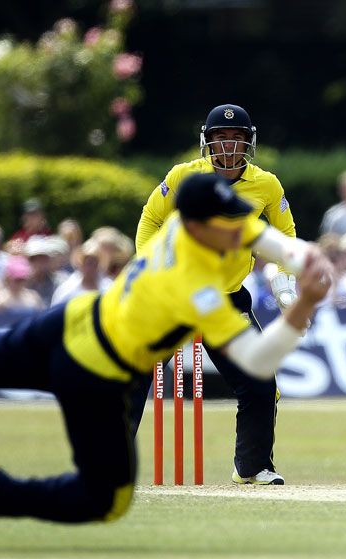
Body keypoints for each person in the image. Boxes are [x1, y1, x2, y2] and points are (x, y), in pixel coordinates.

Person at [0, 173, 333, 524]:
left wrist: (303, 258)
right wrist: (305, 303)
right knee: (103, 501)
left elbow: (262, 237)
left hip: (68, 322)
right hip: (93, 371)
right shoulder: (192, 285)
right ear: (200, 226)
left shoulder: (183, 226)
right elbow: (257, 361)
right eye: (227, 222)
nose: (238, 230)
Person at [134, 104, 298, 485]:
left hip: (225, 299)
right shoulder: (183, 175)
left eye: (236, 138)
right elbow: (150, 219)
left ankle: (252, 467)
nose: (228, 146)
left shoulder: (265, 184)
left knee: (259, 379)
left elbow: (286, 235)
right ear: (207, 142)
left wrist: (285, 281)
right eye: (221, 138)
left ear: (249, 142)